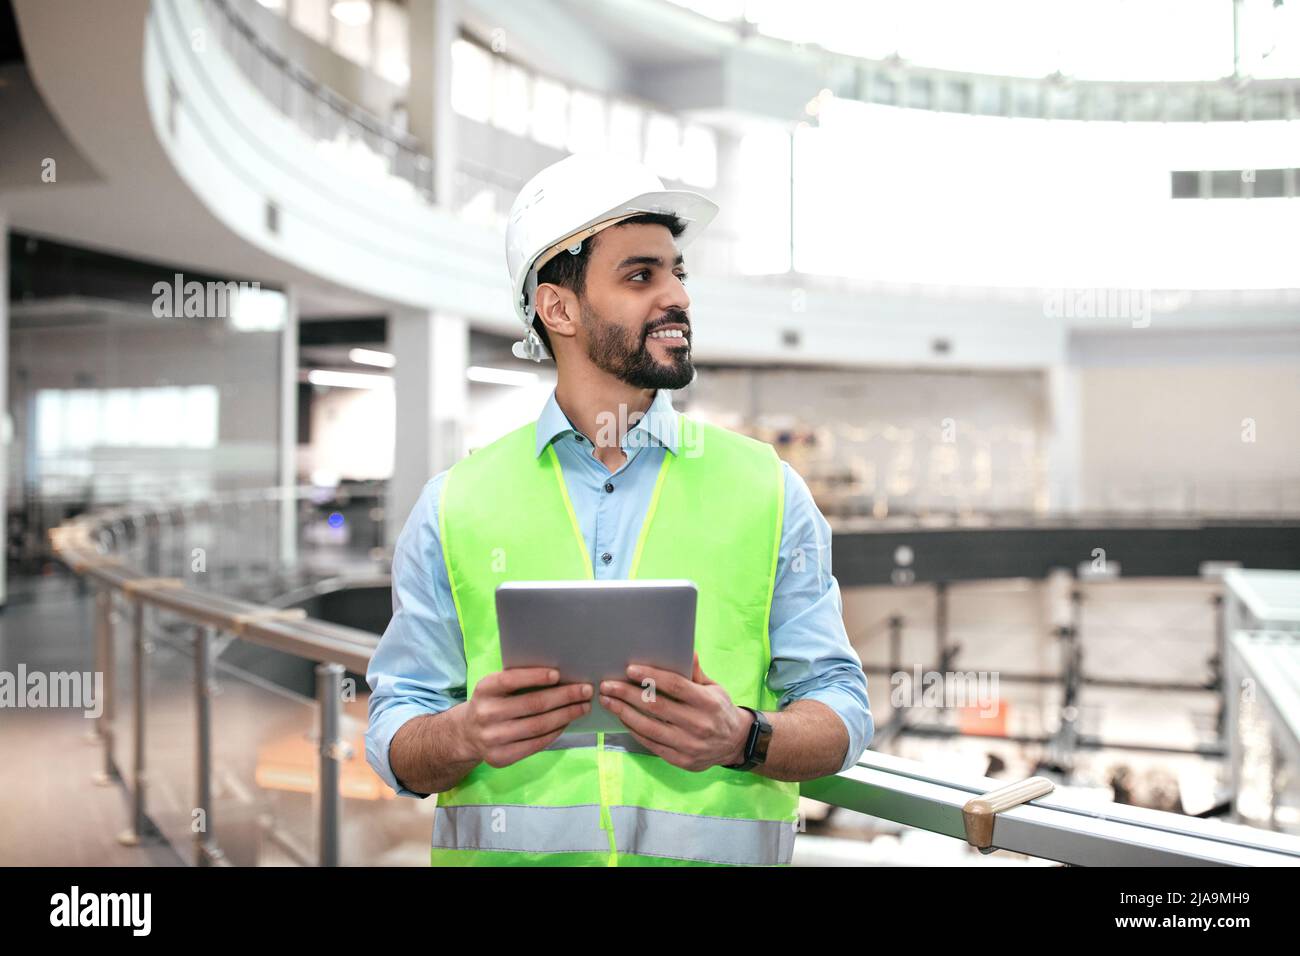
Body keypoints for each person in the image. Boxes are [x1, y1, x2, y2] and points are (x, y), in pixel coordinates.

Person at [365, 152, 873, 866]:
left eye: (677, 273)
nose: (678, 297)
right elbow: (395, 734)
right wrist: (464, 737)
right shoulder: (455, 504)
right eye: (641, 275)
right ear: (560, 308)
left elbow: (842, 708)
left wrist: (744, 738)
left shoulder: (767, 488)